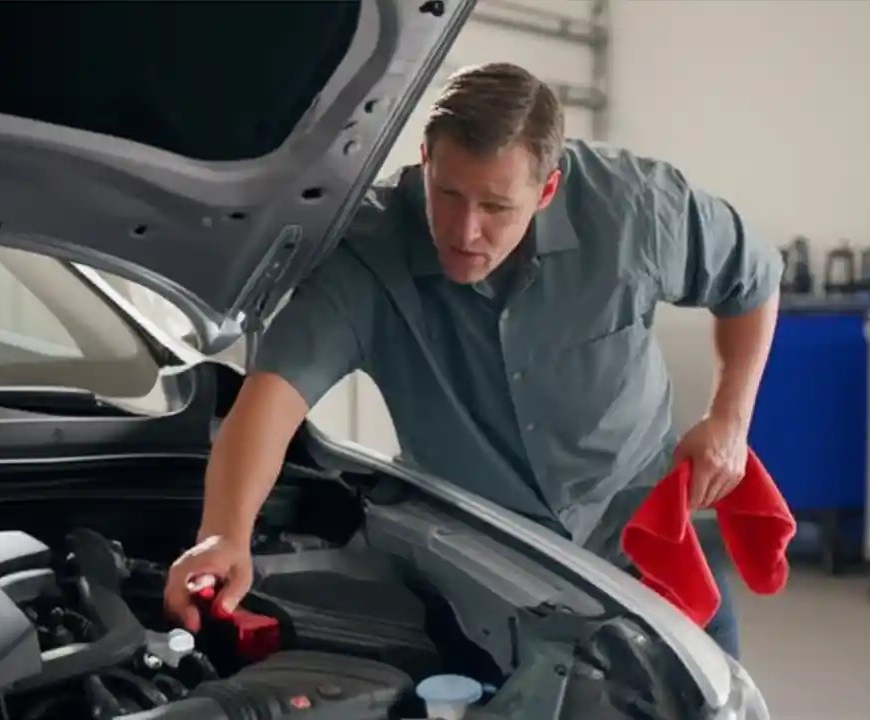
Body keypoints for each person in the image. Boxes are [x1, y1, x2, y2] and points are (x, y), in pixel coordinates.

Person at [163, 62, 780, 659]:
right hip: (489, 579)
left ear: (547, 189)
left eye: (495, 207)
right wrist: (224, 533)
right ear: (425, 160)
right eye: (448, 193)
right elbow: (272, 398)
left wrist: (730, 419)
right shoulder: (368, 257)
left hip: (645, 546)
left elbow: (754, 281)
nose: (464, 229)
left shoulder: (637, 209)